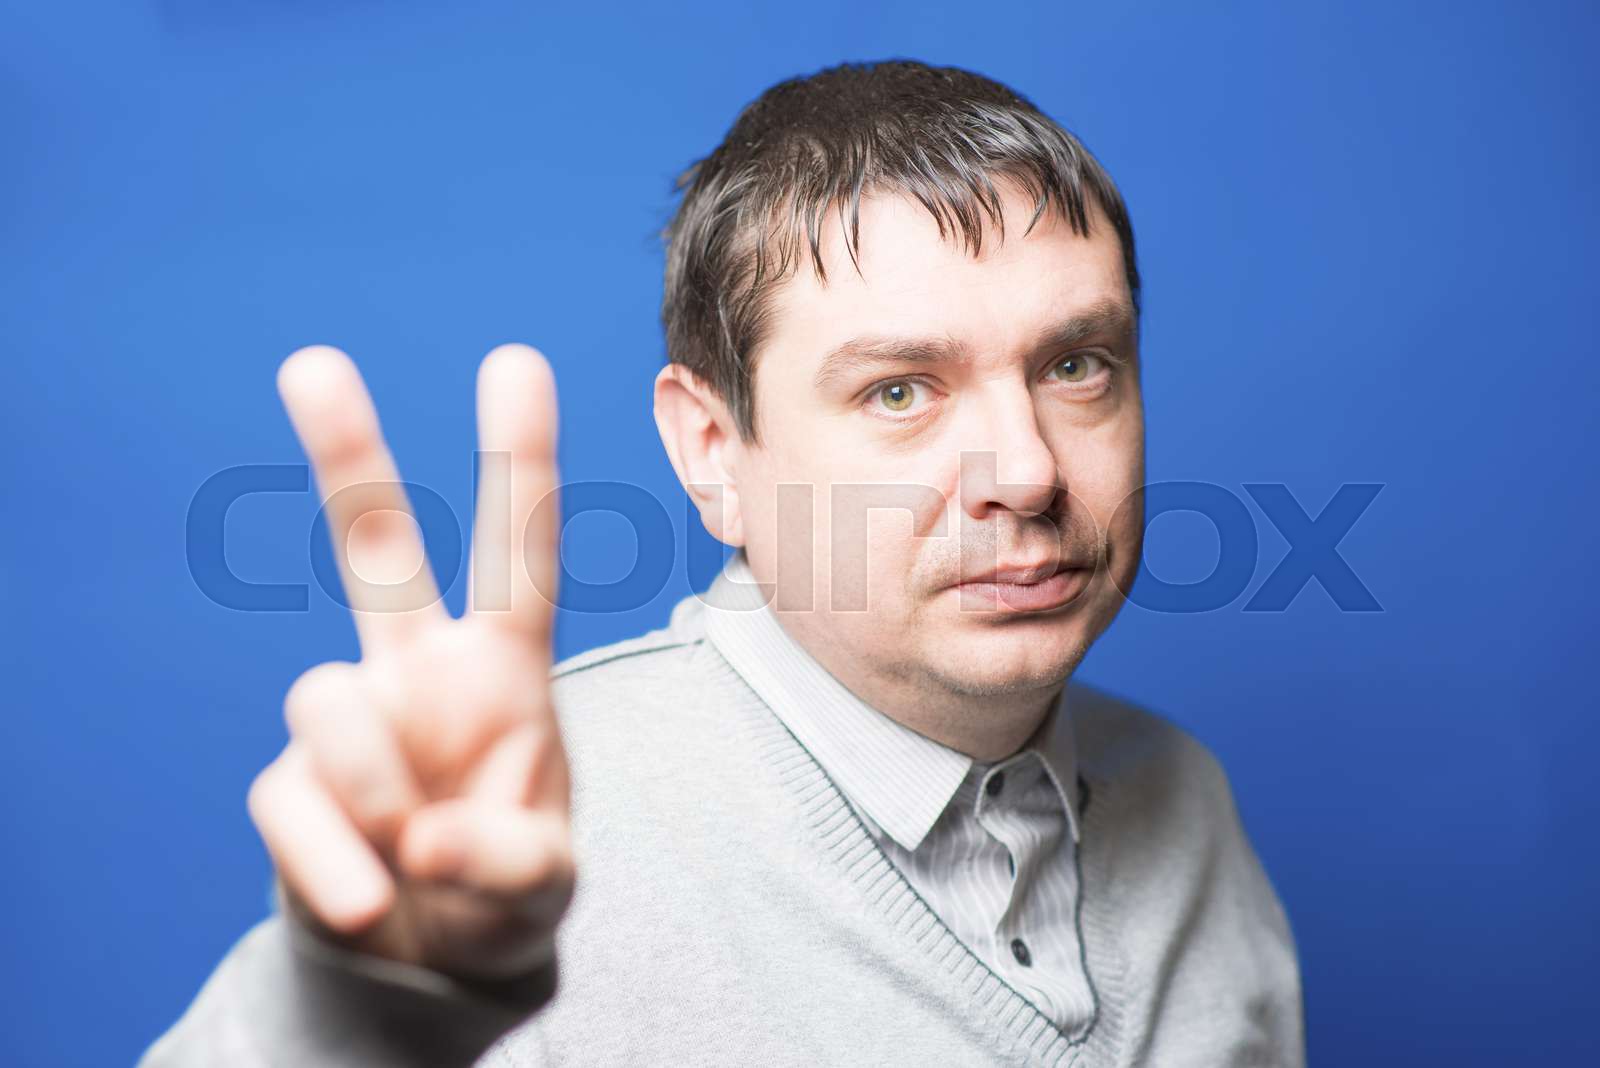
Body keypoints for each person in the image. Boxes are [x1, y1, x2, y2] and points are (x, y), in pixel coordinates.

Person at [142, 59, 1304, 1067]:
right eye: (898, 391)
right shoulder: (517, 832)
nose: (1029, 472)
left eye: (1077, 365)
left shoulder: (1184, 798)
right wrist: (360, 1018)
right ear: (712, 452)